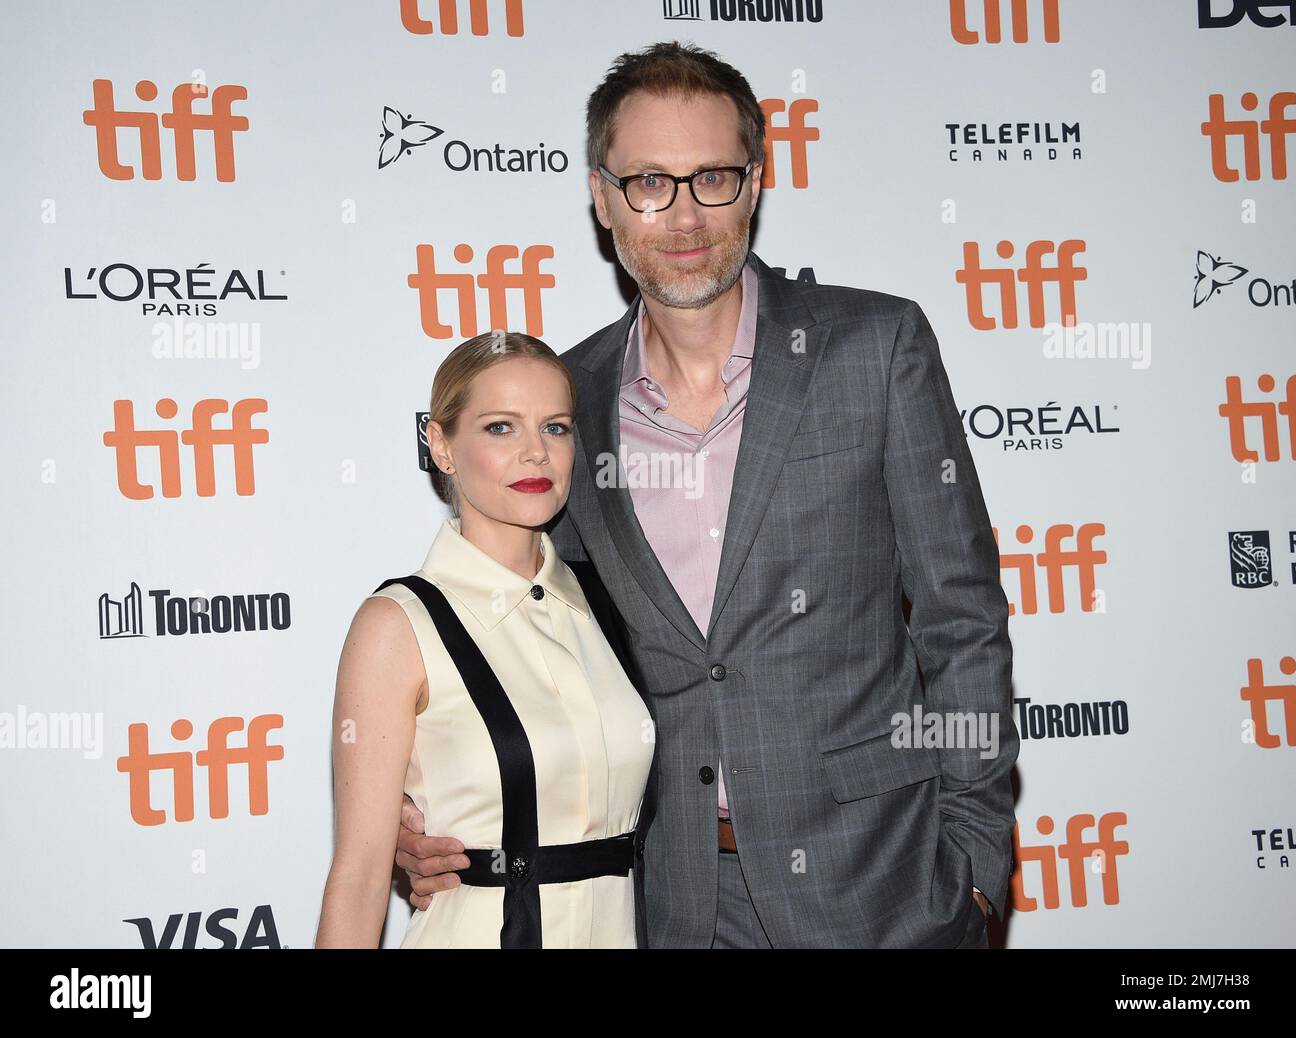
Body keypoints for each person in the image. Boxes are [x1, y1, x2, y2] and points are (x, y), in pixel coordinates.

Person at [395, 40, 1018, 949]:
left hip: (884, 887)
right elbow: (521, 632)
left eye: (712, 178)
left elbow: (962, 616)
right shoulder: (568, 403)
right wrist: (417, 797)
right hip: (670, 899)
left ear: (756, 183)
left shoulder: (874, 349)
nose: (682, 214)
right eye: (648, 181)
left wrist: (975, 871)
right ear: (603, 198)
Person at [315, 332, 656, 948]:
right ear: (441, 446)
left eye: (555, 428)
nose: (536, 454)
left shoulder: (605, 604)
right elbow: (361, 875)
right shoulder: (397, 625)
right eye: (501, 428)